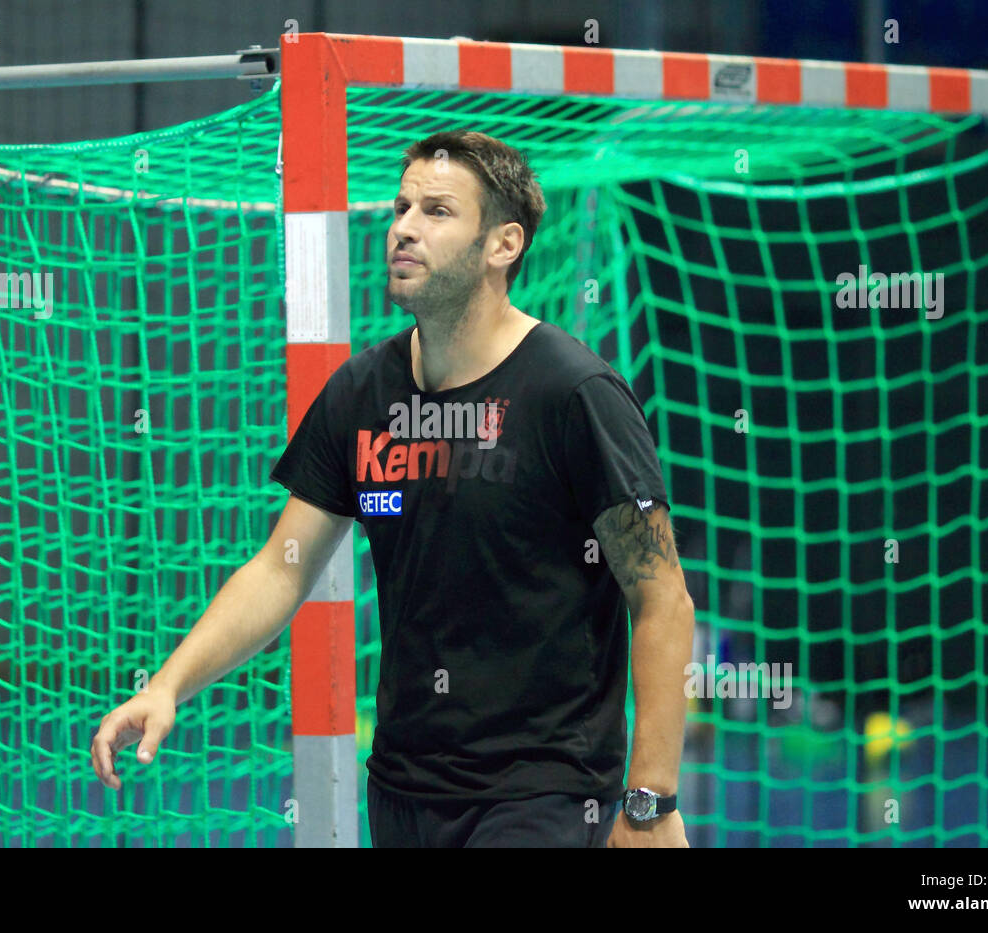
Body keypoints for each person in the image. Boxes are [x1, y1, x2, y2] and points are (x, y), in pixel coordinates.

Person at [91, 130, 695, 847]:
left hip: (545, 794)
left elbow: (661, 596)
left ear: (503, 245)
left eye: (437, 211)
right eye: (402, 205)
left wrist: (650, 801)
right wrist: (168, 684)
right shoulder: (362, 393)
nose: (404, 226)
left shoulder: (573, 393)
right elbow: (278, 571)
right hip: (405, 793)